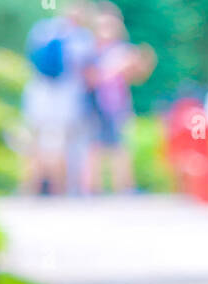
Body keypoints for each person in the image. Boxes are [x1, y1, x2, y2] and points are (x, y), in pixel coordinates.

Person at [22, 4, 96, 195]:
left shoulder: (42, 30)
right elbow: (87, 72)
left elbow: (31, 59)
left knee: (38, 141)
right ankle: (59, 189)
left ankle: (34, 187)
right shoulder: (83, 38)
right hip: (66, 98)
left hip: (40, 94)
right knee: (62, 143)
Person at [83, 5, 153, 194]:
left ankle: (124, 187)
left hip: (117, 104)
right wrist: (112, 71)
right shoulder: (90, 50)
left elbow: (137, 77)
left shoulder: (122, 50)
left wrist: (138, 65)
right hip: (95, 104)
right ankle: (92, 188)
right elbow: (88, 78)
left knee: (120, 146)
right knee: (95, 146)